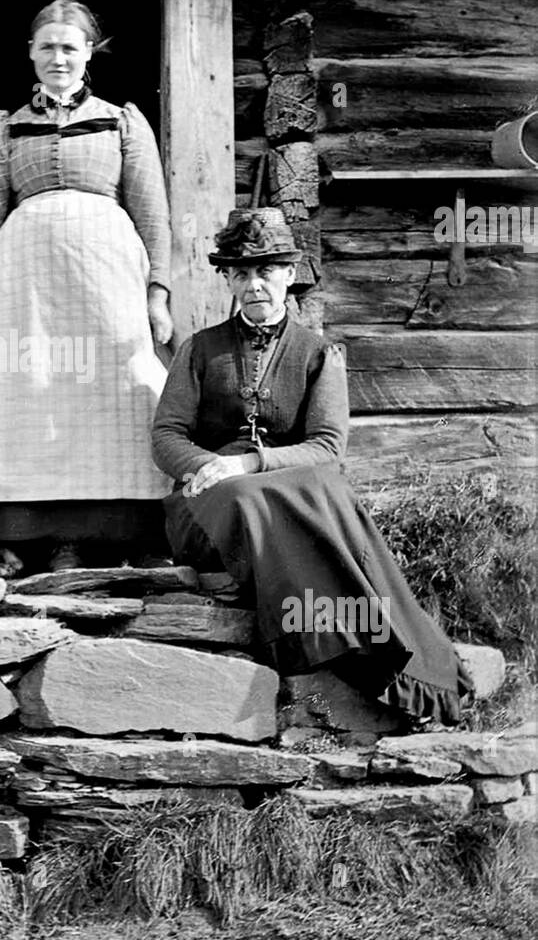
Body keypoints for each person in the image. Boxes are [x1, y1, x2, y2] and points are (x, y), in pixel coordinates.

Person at [151, 207, 467, 725]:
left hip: (280, 489)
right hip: (210, 500)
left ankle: (374, 654)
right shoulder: (199, 350)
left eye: (268, 270)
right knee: (245, 497)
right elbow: (166, 436)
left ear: (290, 275)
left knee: (324, 489)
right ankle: (341, 648)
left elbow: (326, 446)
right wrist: (209, 465)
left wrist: (252, 463)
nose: (256, 285)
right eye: (243, 272)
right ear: (228, 278)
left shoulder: (319, 353)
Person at [0, 0, 173, 572]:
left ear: (89, 55)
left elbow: (152, 212)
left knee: (123, 386)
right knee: (39, 392)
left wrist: (158, 294)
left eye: (70, 48)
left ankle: (131, 531)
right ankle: (51, 538)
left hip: (108, 282)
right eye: (48, 47)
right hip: (28, 291)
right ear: (31, 53)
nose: (59, 58)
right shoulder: (5, 128)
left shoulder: (122, 121)